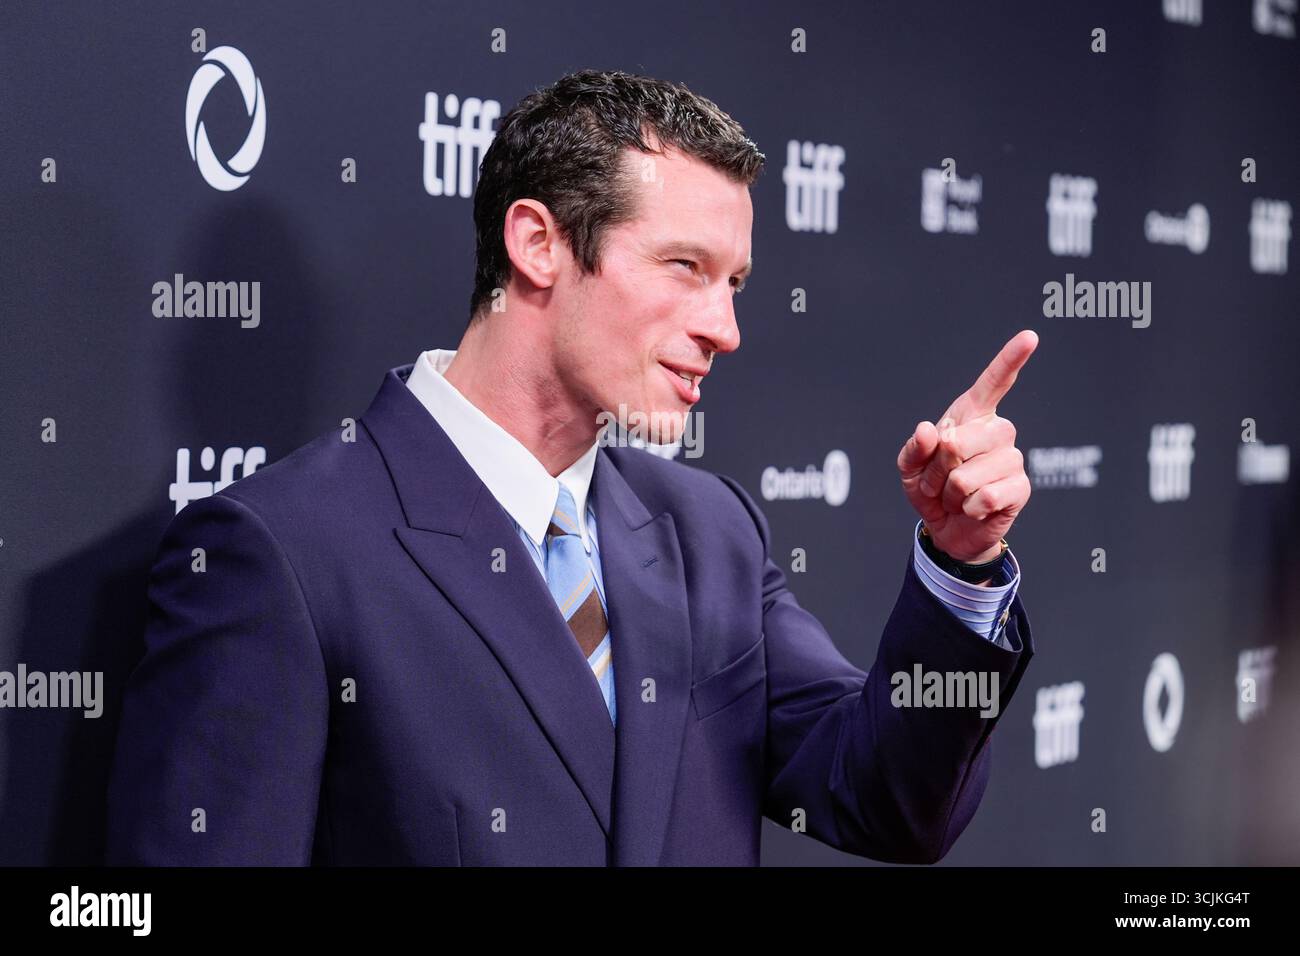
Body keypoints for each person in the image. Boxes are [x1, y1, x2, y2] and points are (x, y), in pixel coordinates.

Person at [105, 69, 1037, 866]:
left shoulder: (710, 532)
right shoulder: (285, 555)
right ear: (539, 244)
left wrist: (959, 568)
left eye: (736, 283)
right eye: (684, 266)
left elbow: (883, 796)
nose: (727, 327)